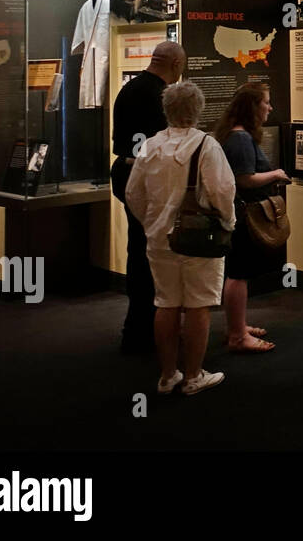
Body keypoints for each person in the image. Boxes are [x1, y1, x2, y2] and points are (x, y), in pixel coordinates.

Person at [125, 81, 236, 396]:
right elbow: (222, 192)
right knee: (198, 306)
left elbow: (133, 193)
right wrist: (228, 221)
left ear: (166, 110)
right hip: (200, 239)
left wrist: (151, 221)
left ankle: (166, 374)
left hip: (159, 239)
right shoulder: (207, 146)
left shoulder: (149, 145)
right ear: (198, 110)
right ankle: (193, 376)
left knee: (165, 303)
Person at [110, 41, 186, 354]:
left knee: (138, 250)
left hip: (128, 178)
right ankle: (153, 331)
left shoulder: (128, 90)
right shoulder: (163, 97)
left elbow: (121, 145)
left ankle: (136, 327)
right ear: (177, 65)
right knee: (155, 257)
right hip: (151, 184)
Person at [213, 82, 290, 353]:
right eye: (266, 102)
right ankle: (237, 335)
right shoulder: (241, 138)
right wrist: (276, 174)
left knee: (237, 273)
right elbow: (245, 179)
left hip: (235, 212)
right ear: (252, 107)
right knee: (239, 274)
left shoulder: (232, 135)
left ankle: (237, 325)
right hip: (243, 215)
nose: (270, 107)